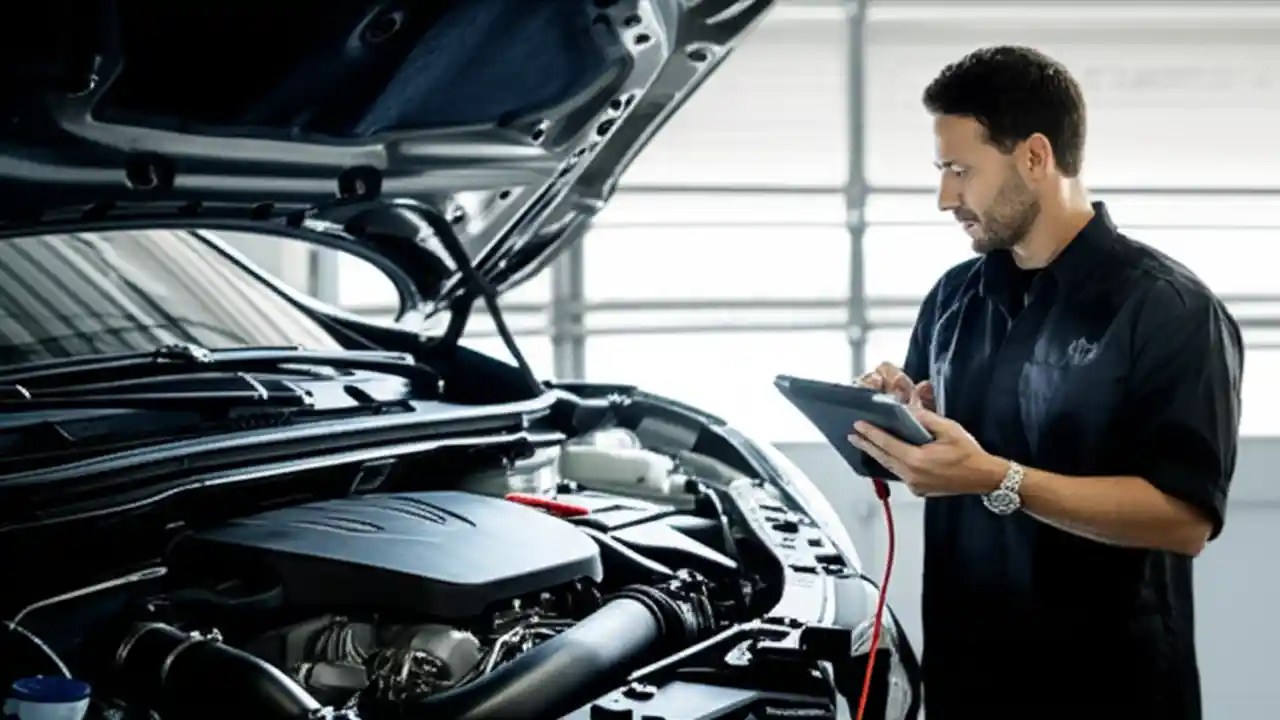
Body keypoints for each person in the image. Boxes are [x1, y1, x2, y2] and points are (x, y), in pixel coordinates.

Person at [847, 46, 1243, 720]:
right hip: (967, 681)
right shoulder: (952, 297)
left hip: (1110, 690)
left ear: (1034, 156)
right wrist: (898, 415)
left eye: (959, 171)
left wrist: (998, 479)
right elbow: (948, 439)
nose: (945, 197)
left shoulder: (1169, 308)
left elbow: (1184, 520)